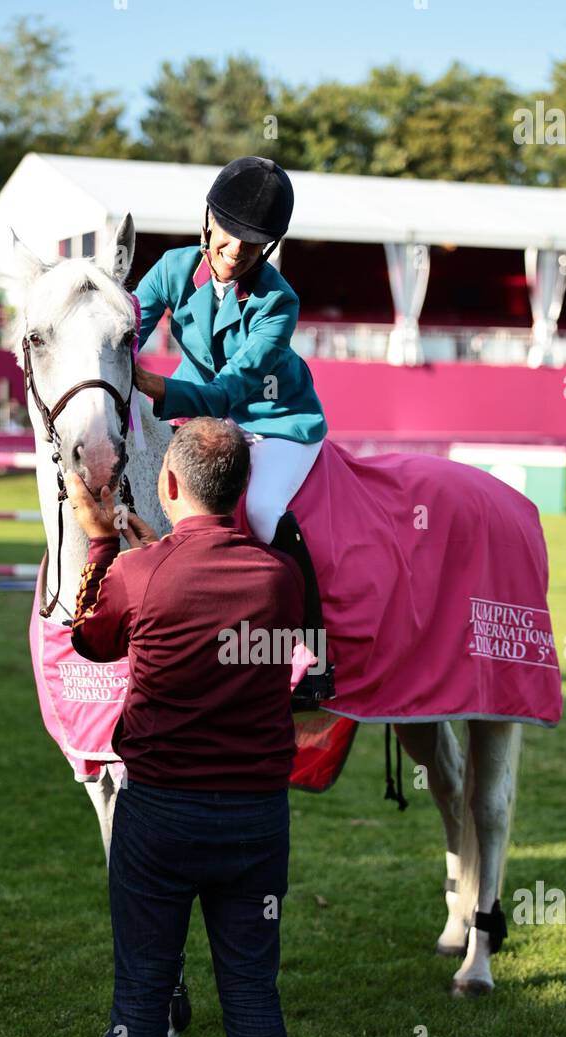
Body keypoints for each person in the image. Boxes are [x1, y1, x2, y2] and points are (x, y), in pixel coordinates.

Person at [61, 417, 303, 1037]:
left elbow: (93, 642)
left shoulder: (143, 572)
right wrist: (143, 555)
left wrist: (107, 549)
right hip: (255, 820)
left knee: (140, 995)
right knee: (253, 996)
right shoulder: (279, 578)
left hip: (159, 816)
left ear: (167, 486)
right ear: (240, 493)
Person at [132, 155, 334, 709]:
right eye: (228, 234)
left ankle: (311, 653)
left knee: (264, 511)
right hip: (198, 419)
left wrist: (151, 384)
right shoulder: (173, 268)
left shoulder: (278, 301)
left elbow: (229, 389)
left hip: (276, 420)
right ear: (207, 220)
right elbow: (131, 328)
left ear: (267, 247)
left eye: (251, 242)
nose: (235, 250)